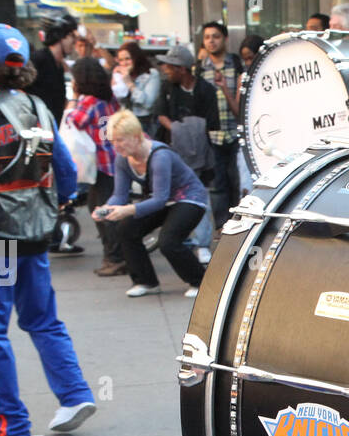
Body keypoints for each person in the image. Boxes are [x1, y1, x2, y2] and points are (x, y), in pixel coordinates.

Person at [0, 23, 96, 436]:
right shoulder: (38, 105)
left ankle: (10, 427)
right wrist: (58, 202)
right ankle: (75, 396)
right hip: (36, 232)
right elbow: (67, 170)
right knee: (42, 320)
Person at [93, 109, 209, 298]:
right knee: (126, 229)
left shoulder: (159, 156)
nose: (117, 146)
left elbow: (159, 199)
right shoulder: (123, 159)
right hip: (163, 200)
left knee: (169, 241)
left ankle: (200, 281)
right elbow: (120, 195)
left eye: (121, 140)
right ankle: (146, 282)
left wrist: (128, 209)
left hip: (189, 198)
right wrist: (106, 208)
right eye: (113, 141)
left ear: (137, 137)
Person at [155, 43, 218, 267]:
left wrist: (191, 133)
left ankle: (202, 243)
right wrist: (178, 130)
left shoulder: (205, 89)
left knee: (199, 195)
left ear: (182, 68)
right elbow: (160, 114)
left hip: (200, 152)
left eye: (170, 66)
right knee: (176, 196)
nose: (166, 70)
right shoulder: (167, 88)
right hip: (173, 149)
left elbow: (212, 123)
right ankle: (186, 239)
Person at [64, 57, 122, 276]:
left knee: (101, 211)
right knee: (103, 208)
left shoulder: (87, 100)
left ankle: (114, 258)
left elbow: (73, 121)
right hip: (113, 159)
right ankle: (114, 256)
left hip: (97, 163)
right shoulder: (109, 98)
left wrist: (72, 100)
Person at [198, 21, 243, 229]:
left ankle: (239, 224)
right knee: (217, 184)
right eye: (207, 37)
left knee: (238, 182)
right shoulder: (199, 68)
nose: (211, 41)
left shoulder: (236, 64)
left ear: (224, 39)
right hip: (212, 135)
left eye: (215, 36)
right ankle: (221, 227)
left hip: (235, 132)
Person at [30, 12, 77, 124]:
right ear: (60, 36)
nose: (74, 41)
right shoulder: (38, 59)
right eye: (71, 36)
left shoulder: (59, 65)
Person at [112, 39, 161, 135]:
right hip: (124, 122)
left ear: (136, 58)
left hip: (144, 123)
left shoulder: (151, 74)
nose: (124, 63)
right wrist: (116, 81)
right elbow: (116, 101)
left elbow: (148, 103)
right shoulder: (120, 74)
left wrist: (129, 83)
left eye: (128, 59)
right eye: (121, 60)